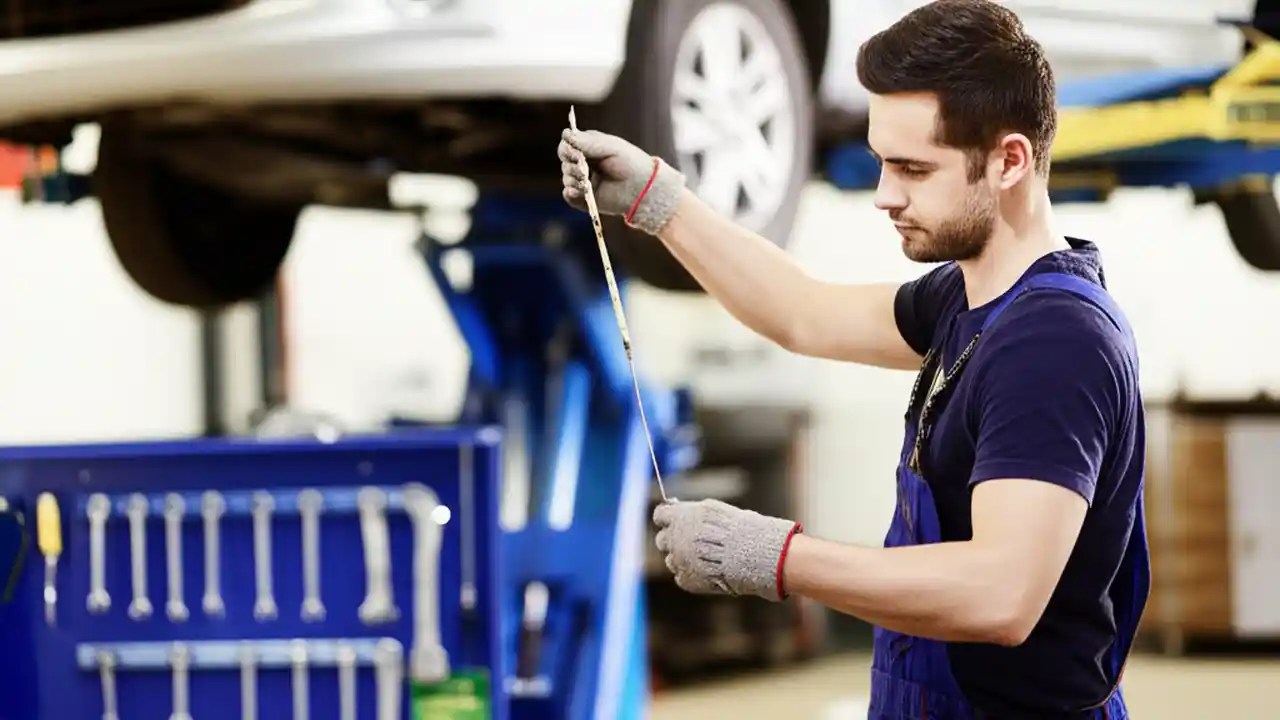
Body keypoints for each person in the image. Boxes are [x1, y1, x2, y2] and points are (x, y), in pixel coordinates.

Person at [557, 0, 1148, 717]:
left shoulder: (1057, 342)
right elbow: (802, 312)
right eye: (880, 162)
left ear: (1009, 161)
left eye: (912, 169)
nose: (883, 195)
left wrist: (775, 556)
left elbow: (1000, 595)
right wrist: (660, 201)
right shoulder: (964, 301)